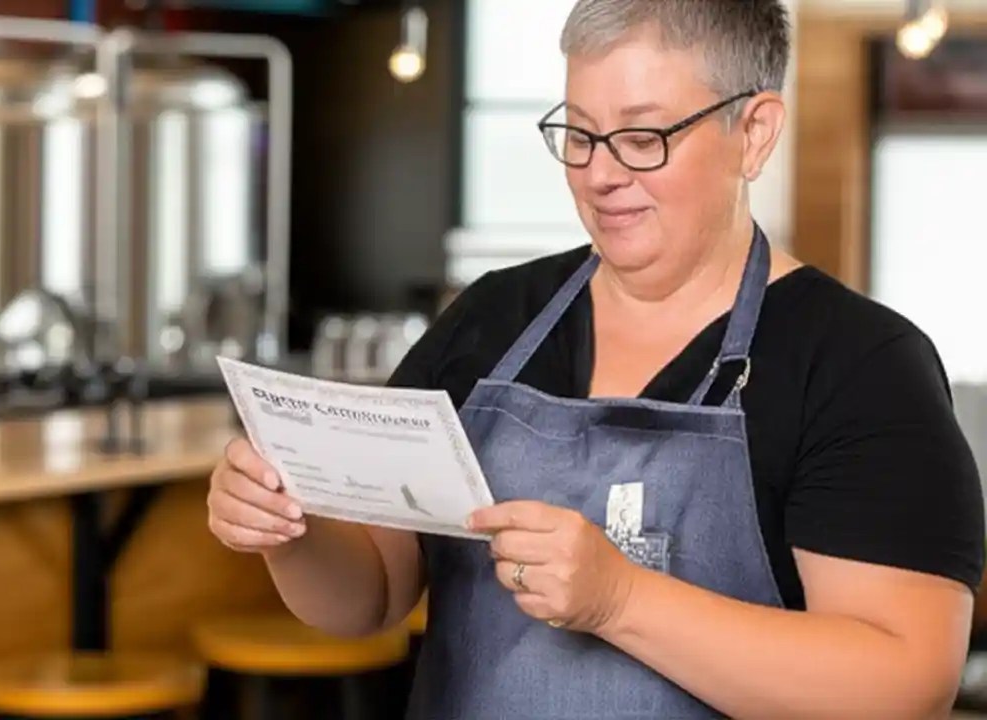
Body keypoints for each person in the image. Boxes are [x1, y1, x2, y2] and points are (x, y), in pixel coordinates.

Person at [206, 0, 986, 717]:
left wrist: (621, 601)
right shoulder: (493, 320)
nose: (600, 174)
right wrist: (292, 530)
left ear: (753, 133)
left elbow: (899, 684)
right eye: (579, 134)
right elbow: (370, 596)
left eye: (643, 138)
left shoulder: (857, 366)